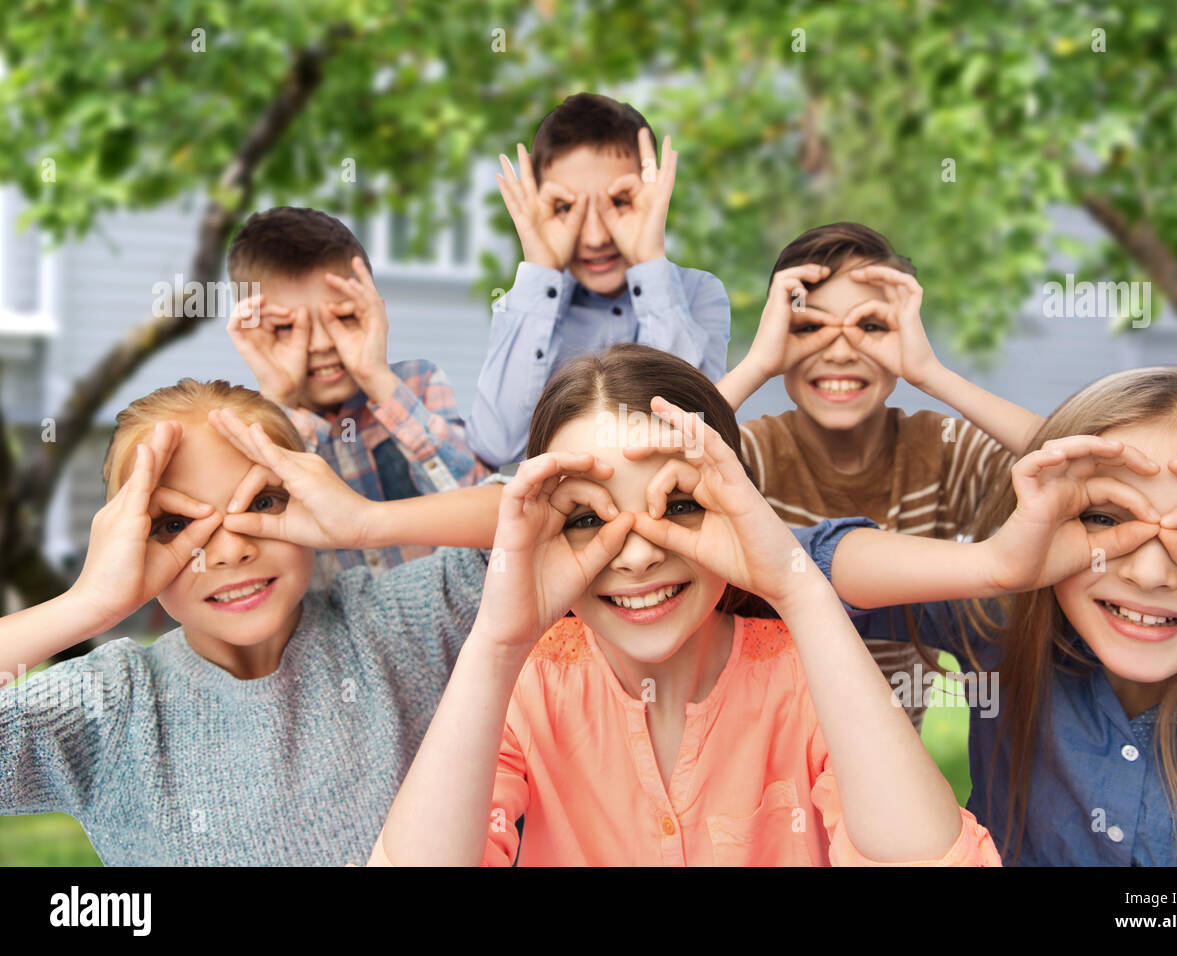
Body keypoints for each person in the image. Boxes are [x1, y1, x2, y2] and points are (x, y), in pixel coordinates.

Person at [364, 344, 1001, 865]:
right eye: (588, 516)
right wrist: (497, 644)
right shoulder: (528, 690)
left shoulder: (804, 680)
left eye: (679, 506)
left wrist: (798, 586)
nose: (638, 555)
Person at [796, 367, 1177, 865]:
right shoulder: (1004, 620)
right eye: (1103, 517)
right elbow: (787, 566)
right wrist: (991, 566)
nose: (1149, 574)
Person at [0, 380, 499, 865]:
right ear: (127, 542)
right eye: (174, 525)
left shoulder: (397, 625)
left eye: (262, 502)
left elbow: (556, 512)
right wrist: (89, 603)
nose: (232, 549)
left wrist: (368, 521)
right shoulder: (113, 707)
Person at [718, 222, 1044, 729]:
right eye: (809, 327)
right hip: (760, 748)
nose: (841, 350)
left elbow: (1084, 458)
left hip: (892, 752)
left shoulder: (942, 453)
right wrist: (756, 363)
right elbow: (650, 463)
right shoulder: (751, 453)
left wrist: (931, 374)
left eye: (870, 326)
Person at [467, 93, 731, 468]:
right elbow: (496, 445)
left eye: (620, 201)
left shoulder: (699, 292)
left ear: (656, 196)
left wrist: (648, 259)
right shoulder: (530, 306)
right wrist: (540, 268)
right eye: (565, 207)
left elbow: (688, 436)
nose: (594, 237)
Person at [226, 206, 488, 574]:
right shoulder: (243, 430)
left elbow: (485, 508)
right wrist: (279, 399)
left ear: (376, 314)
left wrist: (378, 379)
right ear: (252, 334)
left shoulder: (418, 383)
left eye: (344, 317)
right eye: (286, 328)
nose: (319, 344)